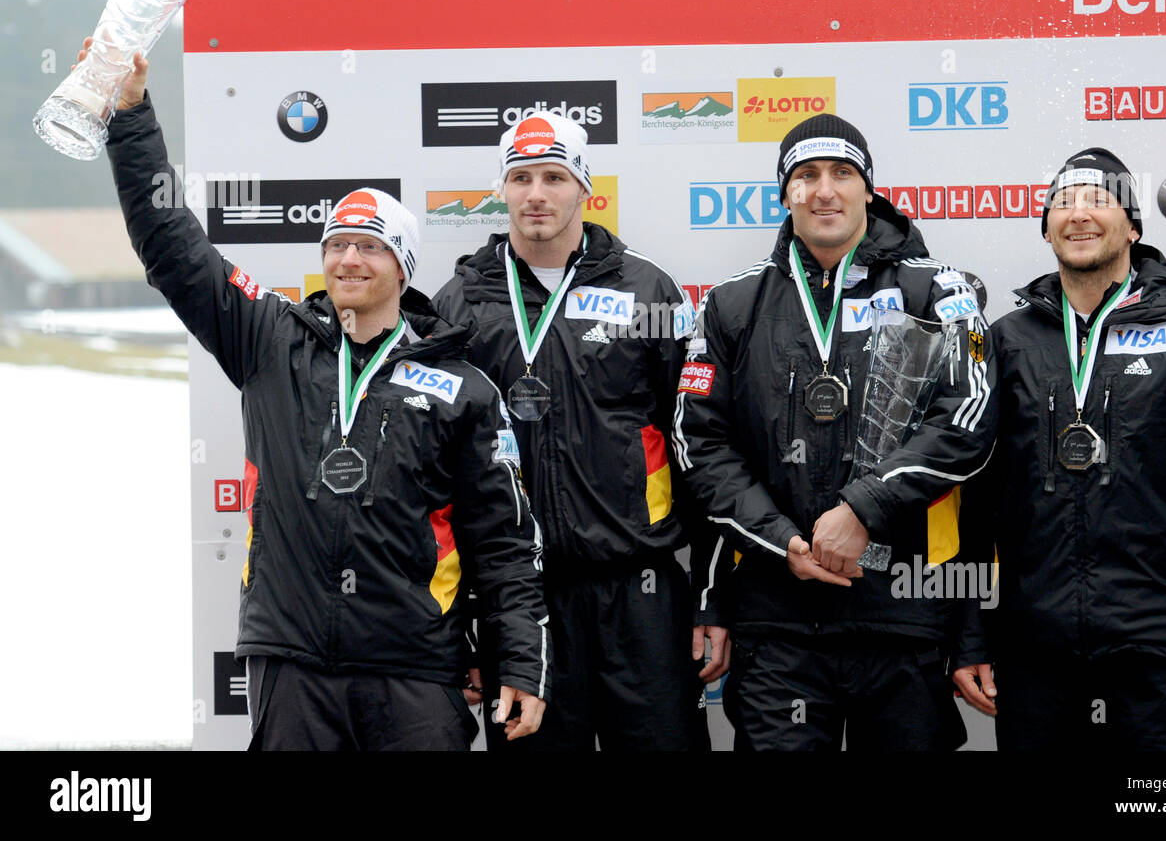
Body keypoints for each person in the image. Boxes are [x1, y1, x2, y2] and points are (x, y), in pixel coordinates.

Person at [94, 43, 550, 750]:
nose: (348, 259)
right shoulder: (270, 338)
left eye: (370, 246)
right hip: (294, 659)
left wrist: (519, 660)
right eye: (336, 244)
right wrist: (129, 116)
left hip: (415, 666)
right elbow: (170, 243)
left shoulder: (463, 386)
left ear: (402, 266)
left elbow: (505, 544)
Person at [953, 148, 1166, 750]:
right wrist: (970, 636)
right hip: (1037, 647)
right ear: (1046, 229)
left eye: (1098, 199)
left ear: (1133, 227)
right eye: (1063, 202)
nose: (1078, 213)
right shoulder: (1007, 340)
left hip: (1164, 639)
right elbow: (976, 499)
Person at [675, 114, 997, 750]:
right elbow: (701, 444)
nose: (824, 190)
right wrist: (780, 540)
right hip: (777, 620)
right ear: (785, 193)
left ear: (868, 188)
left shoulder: (937, 289)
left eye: (842, 173)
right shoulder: (731, 304)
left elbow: (970, 417)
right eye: (806, 175)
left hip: (901, 615)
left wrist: (862, 509)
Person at [432, 113, 728, 751]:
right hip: (521, 600)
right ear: (502, 191)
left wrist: (710, 598)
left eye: (553, 177)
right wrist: (463, 629)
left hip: (640, 587)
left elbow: (697, 448)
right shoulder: (459, 304)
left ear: (584, 189)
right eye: (520, 178)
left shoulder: (647, 290)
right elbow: (436, 478)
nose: (536, 193)